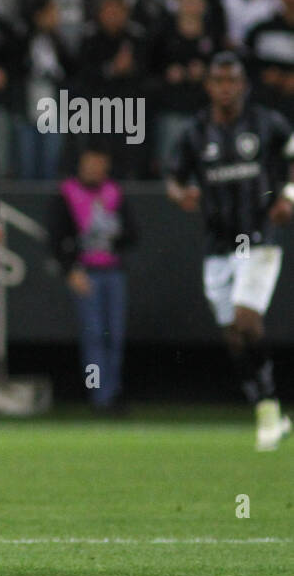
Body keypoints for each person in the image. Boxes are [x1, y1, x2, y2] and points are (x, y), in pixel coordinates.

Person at [167, 52, 294, 450]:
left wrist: (288, 196)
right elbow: (173, 176)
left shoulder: (267, 124)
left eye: (232, 80)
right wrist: (180, 194)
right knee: (234, 337)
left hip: (259, 238)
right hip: (217, 246)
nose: (225, 87)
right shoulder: (194, 132)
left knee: (246, 319)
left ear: (243, 84)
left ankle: (269, 410)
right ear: (208, 87)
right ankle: (265, 406)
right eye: (218, 80)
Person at [49, 141, 137, 410]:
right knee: (94, 336)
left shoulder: (114, 193)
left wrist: (116, 237)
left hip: (112, 272)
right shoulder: (67, 193)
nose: (94, 169)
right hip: (86, 273)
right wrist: (70, 270)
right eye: (89, 164)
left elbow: (133, 234)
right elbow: (55, 236)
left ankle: (113, 392)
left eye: (99, 164)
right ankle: (98, 394)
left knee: (115, 335)